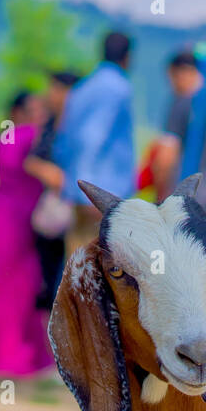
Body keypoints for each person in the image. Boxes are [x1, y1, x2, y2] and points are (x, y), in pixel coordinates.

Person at [0, 90, 53, 379]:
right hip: (19, 218)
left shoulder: (4, 138)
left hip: (0, 214)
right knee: (22, 285)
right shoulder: (31, 135)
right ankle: (20, 355)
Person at [54, 31, 135, 252]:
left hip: (78, 189)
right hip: (101, 195)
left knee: (78, 263)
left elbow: (63, 142)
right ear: (128, 57)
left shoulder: (82, 88)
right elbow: (93, 137)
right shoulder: (118, 88)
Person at [24, 70, 80, 310]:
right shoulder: (49, 125)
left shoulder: (78, 127)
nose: (51, 95)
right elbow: (32, 159)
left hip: (73, 208)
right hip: (49, 209)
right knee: (46, 282)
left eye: (56, 89)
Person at [152, 50, 206, 209]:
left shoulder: (182, 102)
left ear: (179, 72)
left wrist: (160, 197)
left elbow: (166, 157)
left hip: (184, 197)